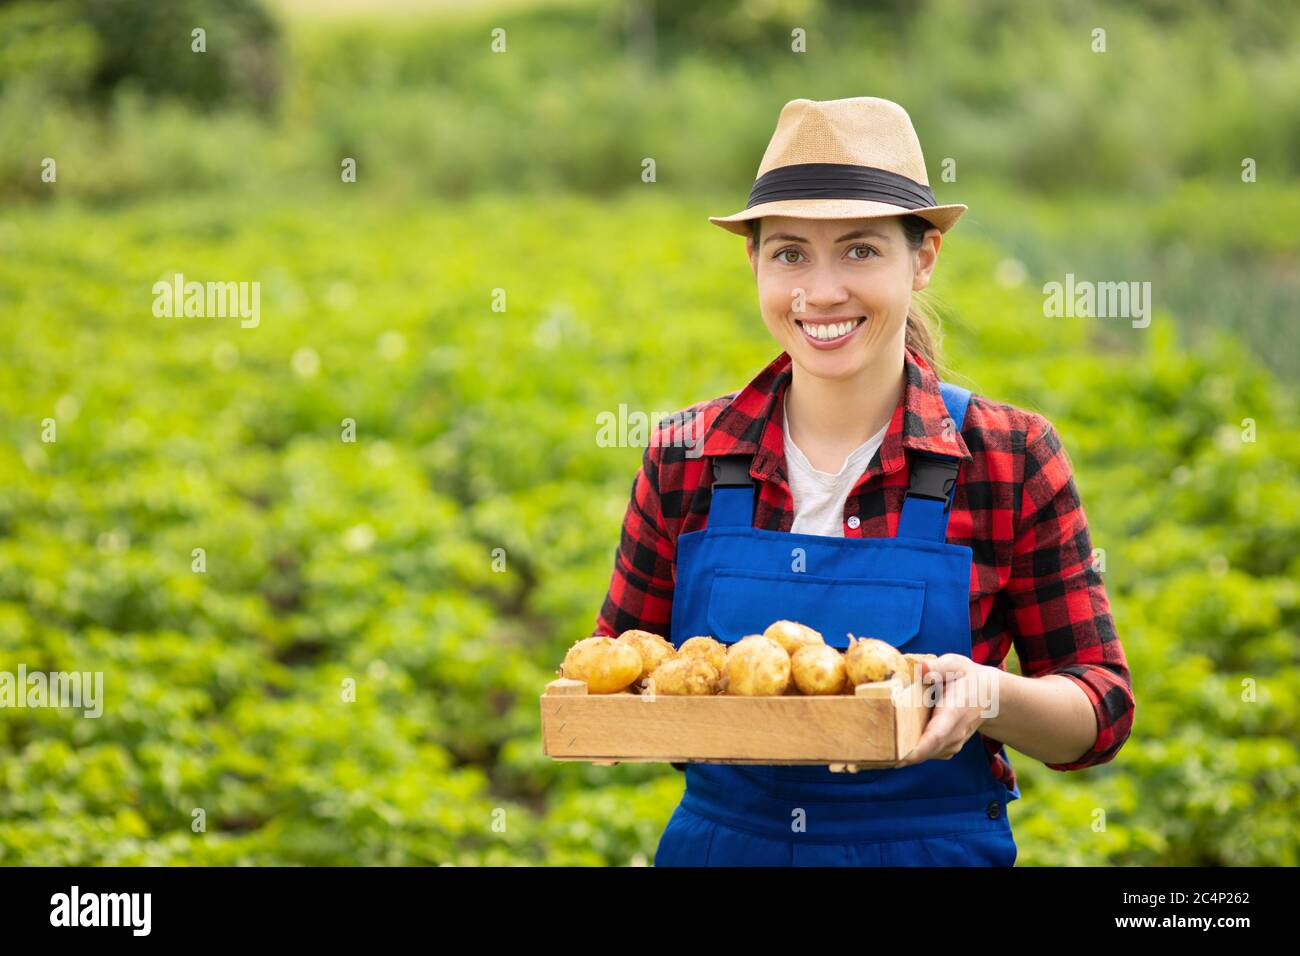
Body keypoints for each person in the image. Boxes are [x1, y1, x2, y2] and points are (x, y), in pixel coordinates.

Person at [592, 96, 1135, 866]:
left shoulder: (1010, 457)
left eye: (860, 251)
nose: (821, 292)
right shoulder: (686, 454)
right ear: (753, 262)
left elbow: (1100, 708)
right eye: (789, 254)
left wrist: (988, 695)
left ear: (923, 258)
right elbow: (619, 661)